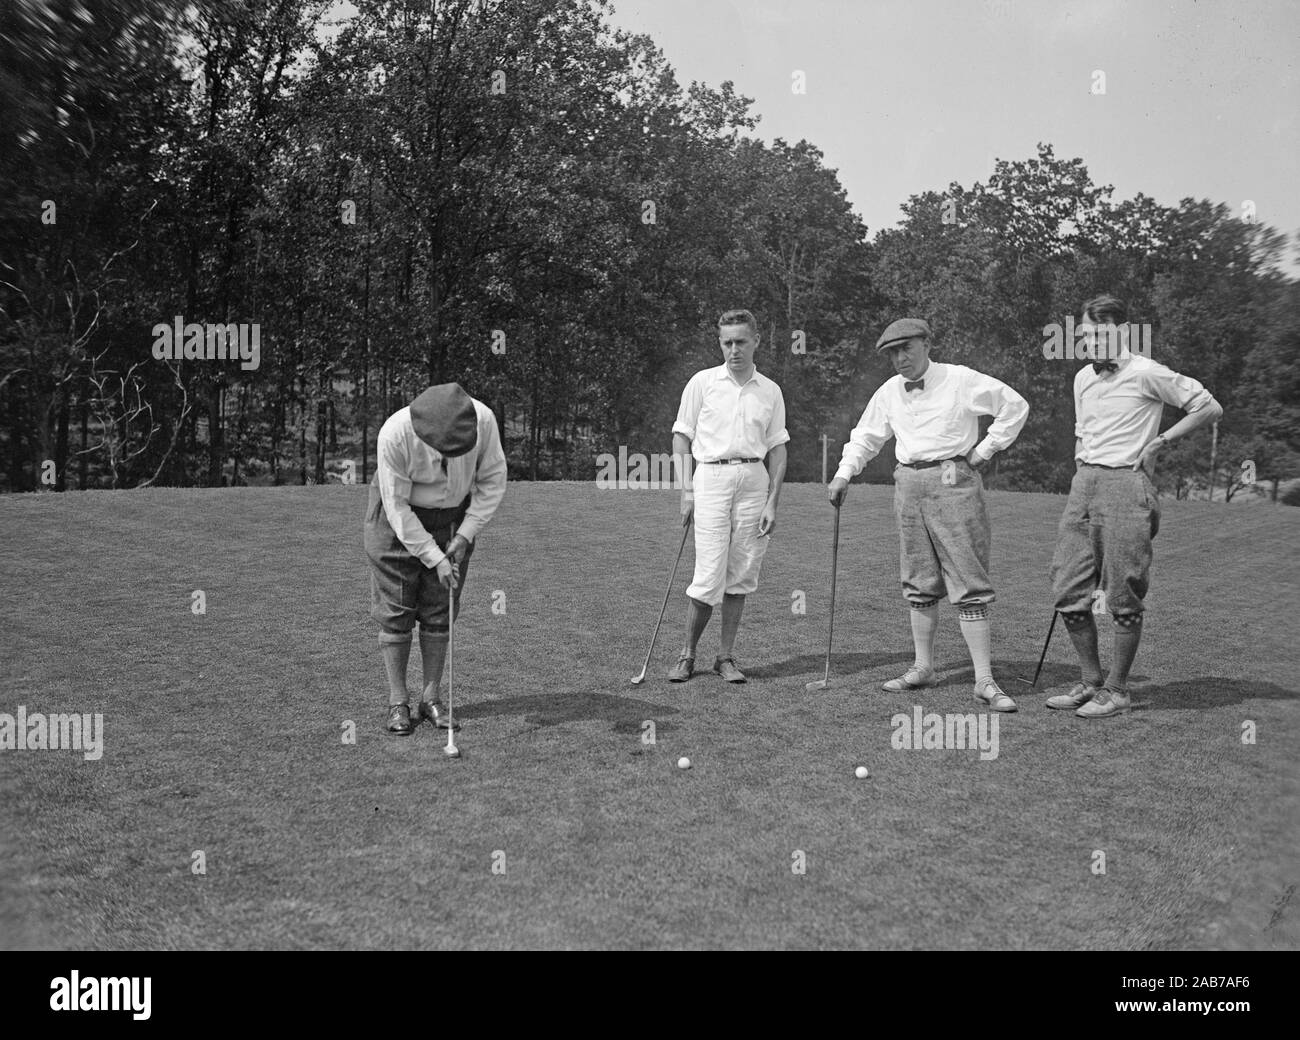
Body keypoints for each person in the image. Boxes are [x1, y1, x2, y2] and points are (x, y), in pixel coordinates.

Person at [827, 317, 1029, 711]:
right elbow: (866, 437)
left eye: (907, 349)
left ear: (926, 344)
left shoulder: (959, 379)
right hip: (907, 484)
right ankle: (923, 667)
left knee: (967, 576)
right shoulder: (888, 391)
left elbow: (1014, 406)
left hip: (954, 479)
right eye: (892, 354)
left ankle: (984, 680)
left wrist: (984, 451)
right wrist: (843, 474)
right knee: (918, 577)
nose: (900, 359)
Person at [1047, 295, 1222, 719]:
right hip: (1084, 483)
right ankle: (1090, 682)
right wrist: (1080, 469)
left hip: (1126, 485)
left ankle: (1118, 690)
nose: (1092, 341)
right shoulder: (1082, 379)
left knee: (1123, 591)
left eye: (1102, 333)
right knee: (1069, 589)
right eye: (1086, 334)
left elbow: (1208, 406)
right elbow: (1081, 432)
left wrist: (1160, 442)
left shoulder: (1146, 372)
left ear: (1121, 332)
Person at [364, 383, 507, 735]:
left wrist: (463, 535)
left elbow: (492, 481)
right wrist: (434, 557)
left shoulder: (483, 420)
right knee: (396, 608)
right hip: (397, 518)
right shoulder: (394, 434)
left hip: (454, 518)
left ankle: (432, 699)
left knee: (440, 606)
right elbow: (396, 507)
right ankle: (398, 702)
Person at [668, 309, 789, 683]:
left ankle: (725, 658)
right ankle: (687, 656)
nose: (733, 349)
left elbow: (779, 449)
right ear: (720, 344)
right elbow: (680, 438)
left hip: (754, 479)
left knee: (741, 574)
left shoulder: (770, 390)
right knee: (708, 576)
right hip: (711, 479)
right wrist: (686, 490)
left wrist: (772, 500)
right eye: (727, 342)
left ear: (756, 341)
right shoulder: (702, 383)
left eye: (740, 341)